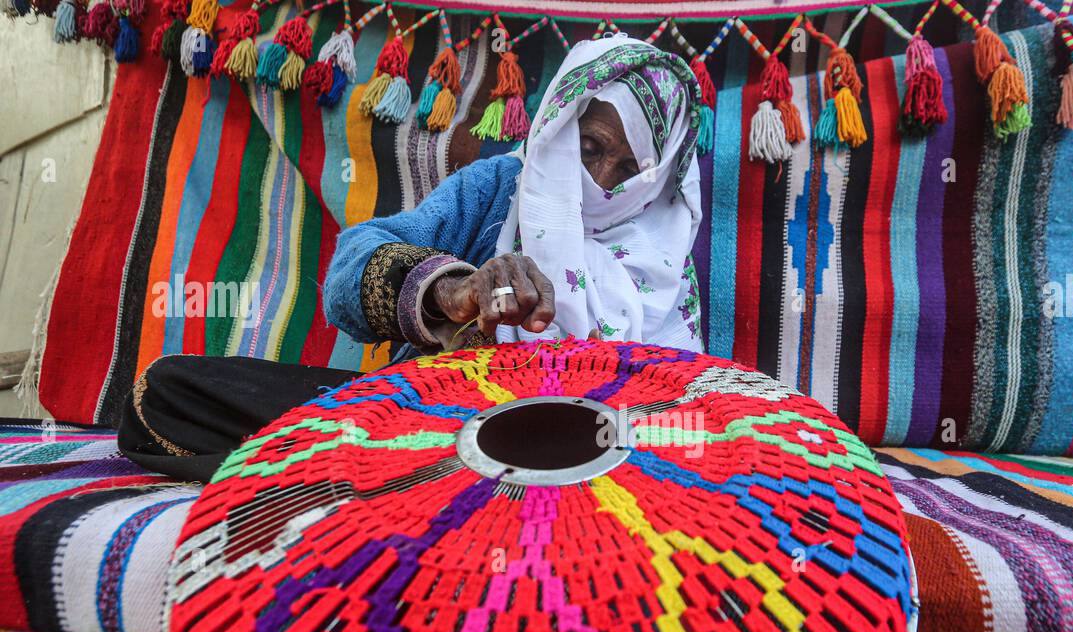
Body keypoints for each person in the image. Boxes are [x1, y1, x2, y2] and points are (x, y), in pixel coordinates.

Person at [118, 35, 705, 482]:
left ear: (657, 185)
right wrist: (453, 292)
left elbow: (679, 398)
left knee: (697, 456)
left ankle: (375, 487)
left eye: (630, 173)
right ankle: (400, 480)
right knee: (169, 393)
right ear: (560, 123)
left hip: (590, 458)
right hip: (426, 424)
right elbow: (351, 269)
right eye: (591, 148)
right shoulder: (500, 188)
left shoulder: (663, 258)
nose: (601, 182)